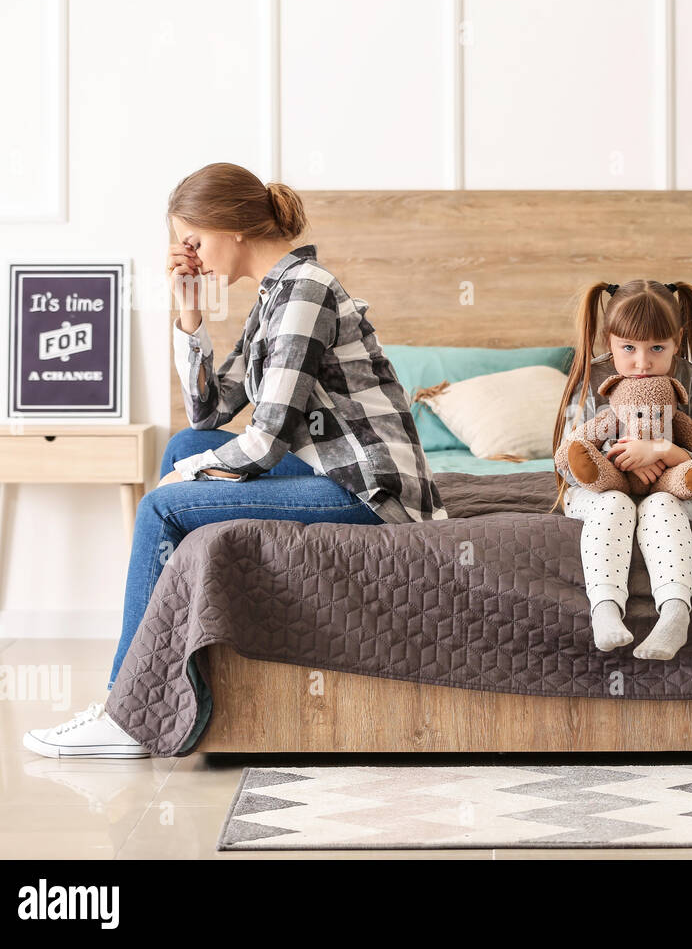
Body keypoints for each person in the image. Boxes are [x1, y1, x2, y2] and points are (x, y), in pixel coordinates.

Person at [22, 162, 445, 759]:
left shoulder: (307, 290)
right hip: (329, 469)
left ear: (233, 228)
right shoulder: (274, 297)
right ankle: (160, 682)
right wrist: (190, 314)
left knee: (162, 507)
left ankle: (126, 711)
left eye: (193, 240)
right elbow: (209, 413)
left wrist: (186, 481)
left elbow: (267, 440)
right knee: (183, 447)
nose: (188, 256)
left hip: (370, 491)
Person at [550, 280, 692, 659]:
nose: (642, 363)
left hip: (668, 488)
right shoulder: (591, 379)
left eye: (657, 348)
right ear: (607, 339)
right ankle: (606, 611)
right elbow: (571, 458)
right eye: (627, 348)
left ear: (678, 340)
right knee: (615, 503)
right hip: (599, 489)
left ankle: (675, 614)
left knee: (661, 506)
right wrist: (623, 460)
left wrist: (660, 450)